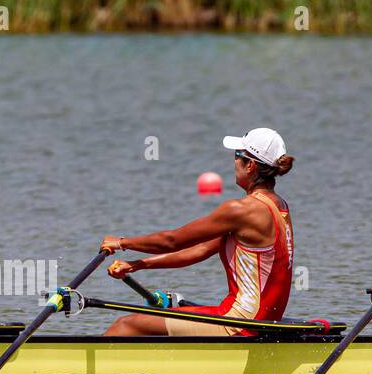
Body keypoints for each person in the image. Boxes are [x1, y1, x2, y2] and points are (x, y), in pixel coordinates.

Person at [98, 127, 295, 336]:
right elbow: (200, 250)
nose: (234, 161)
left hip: (240, 321)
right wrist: (137, 265)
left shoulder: (241, 210)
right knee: (154, 320)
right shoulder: (278, 205)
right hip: (262, 320)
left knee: (126, 325)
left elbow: (171, 241)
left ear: (250, 166)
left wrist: (121, 243)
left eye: (238, 155)